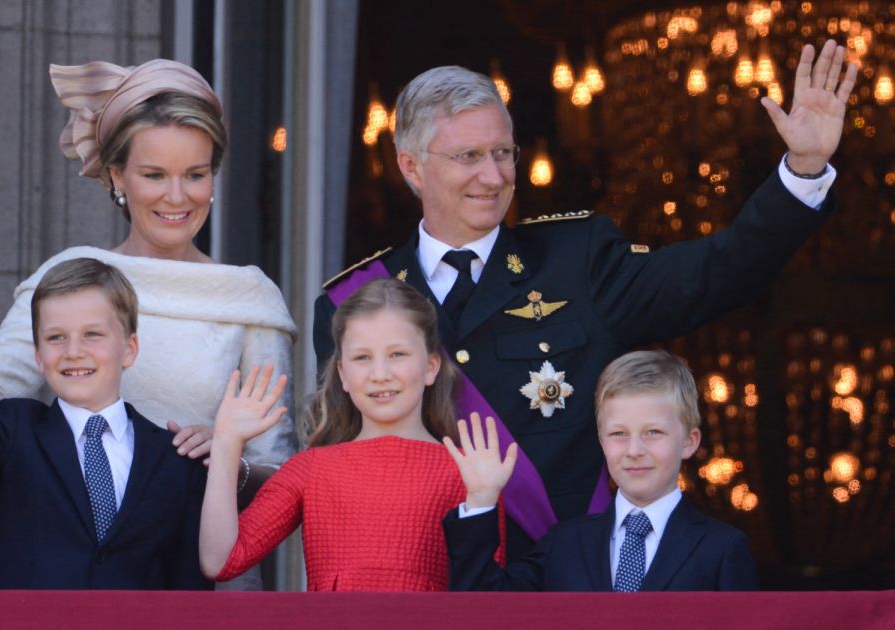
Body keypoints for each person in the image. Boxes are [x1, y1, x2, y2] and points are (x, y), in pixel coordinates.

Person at [314, 41, 857, 562]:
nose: (495, 175)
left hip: (561, 583)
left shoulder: (580, 261)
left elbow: (716, 273)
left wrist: (802, 171)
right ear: (411, 167)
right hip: (414, 581)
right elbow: (336, 466)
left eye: (504, 152)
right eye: (469, 156)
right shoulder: (350, 304)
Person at [0, 58, 296, 507]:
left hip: (207, 566)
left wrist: (227, 459)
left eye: (195, 175)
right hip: (80, 558)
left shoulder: (249, 296)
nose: (177, 196)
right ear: (117, 175)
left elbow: (281, 475)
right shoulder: (72, 273)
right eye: (154, 175)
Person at [0, 255, 209, 590]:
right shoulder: (15, 430)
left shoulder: (174, 458)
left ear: (129, 348)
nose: (73, 351)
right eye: (56, 338)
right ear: (38, 355)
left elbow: (190, 587)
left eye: (92, 334)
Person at [200, 278, 496, 591]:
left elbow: (488, 598)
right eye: (362, 357)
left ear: (431, 367)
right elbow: (221, 560)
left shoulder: (470, 473)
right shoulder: (312, 468)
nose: (380, 375)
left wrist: (483, 495)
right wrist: (227, 443)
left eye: (397, 354)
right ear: (342, 373)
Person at [444, 350, 758, 591]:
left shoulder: (723, 548)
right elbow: (484, 605)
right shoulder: (564, 544)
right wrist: (482, 498)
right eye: (619, 434)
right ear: (601, 441)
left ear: (689, 442)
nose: (635, 450)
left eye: (653, 433)